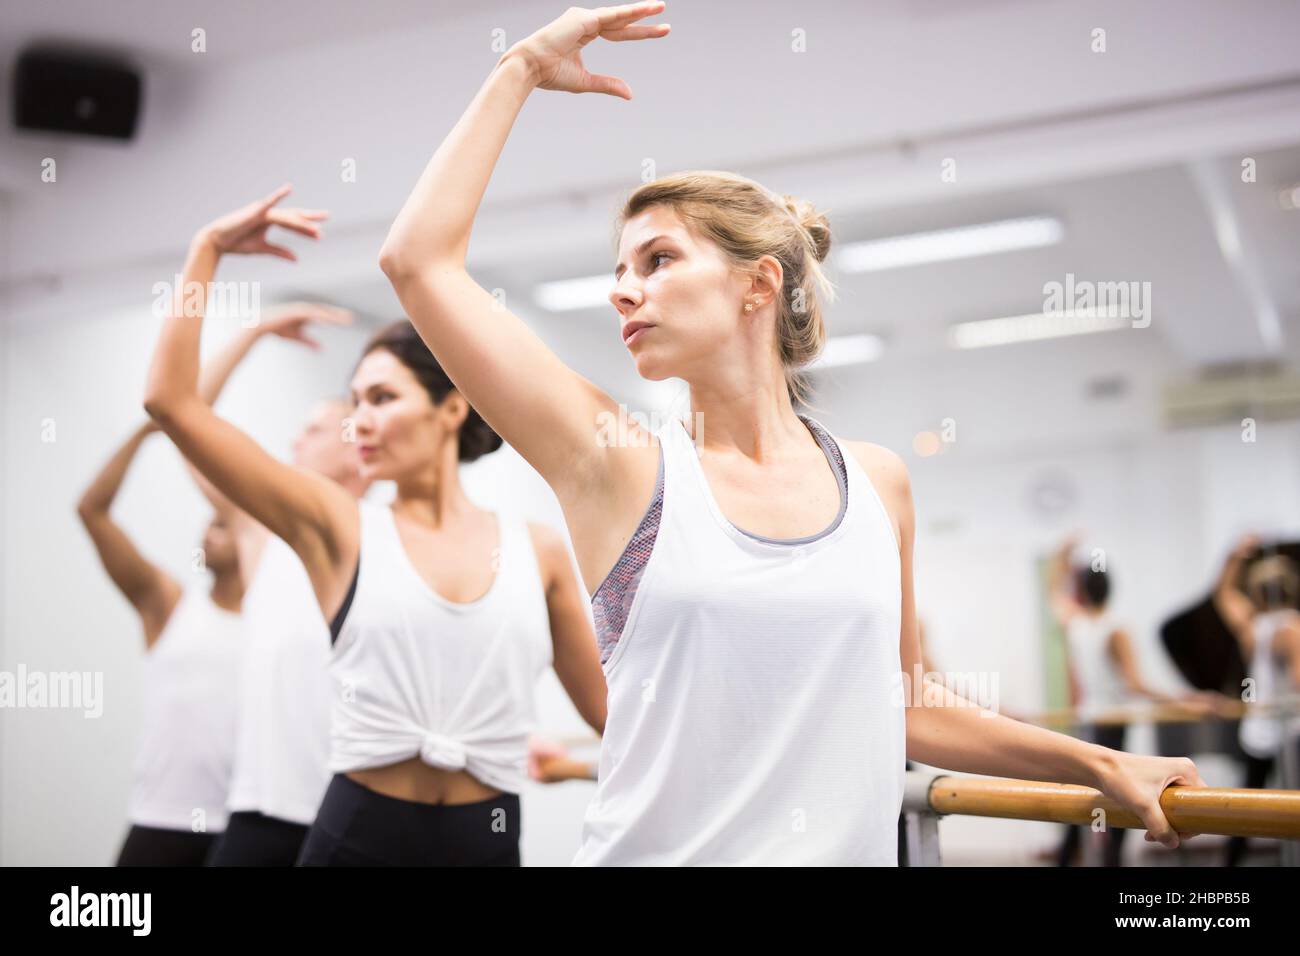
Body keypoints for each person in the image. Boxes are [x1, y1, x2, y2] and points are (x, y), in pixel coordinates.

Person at [376, 0, 1207, 865]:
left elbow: (912, 706)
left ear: (758, 283)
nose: (623, 290)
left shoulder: (878, 481)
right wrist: (518, 70)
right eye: (618, 270)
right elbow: (417, 261)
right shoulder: (618, 463)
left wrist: (1104, 766)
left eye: (658, 260)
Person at [144, 191, 608, 865]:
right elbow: (171, 403)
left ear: (451, 410)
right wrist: (207, 250)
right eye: (354, 401)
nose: (357, 421)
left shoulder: (537, 549)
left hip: (488, 840)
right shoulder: (336, 524)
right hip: (358, 834)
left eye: (383, 399)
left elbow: (610, 718)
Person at [78, 330, 263, 865]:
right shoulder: (170, 604)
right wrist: (145, 433)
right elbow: (93, 512)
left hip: (245, 826)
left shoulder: (280, 612)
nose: (212, 532)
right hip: (161, 821)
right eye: (208, 524)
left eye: (225, 525)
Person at [198, 305, 374, 867]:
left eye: (315, 430)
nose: (297, 441)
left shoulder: (391, 537)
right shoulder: (261, 531)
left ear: (358, 445)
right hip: (262, 811)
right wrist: (251, 333)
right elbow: (187, 417)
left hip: (354, 812)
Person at [1046, 535, 1216, 866]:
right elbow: (1136, 684)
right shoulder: (1115, 629)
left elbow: (1054, 594)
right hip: (1111, 721)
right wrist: (1187, 700)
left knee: (1082, 791)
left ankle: (1067, 860)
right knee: (1119, 794)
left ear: (1082, 592)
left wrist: (1061, 556)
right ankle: (1111, 861)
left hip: (1086, 719)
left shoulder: (1075, 623)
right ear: (1111, 589)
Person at [1214, 534, 1300, 865]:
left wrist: (1234, 554)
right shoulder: (1290, 627)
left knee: (1248, 803)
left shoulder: (1252, 626)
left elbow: (1224, 594)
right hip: (1291, 725)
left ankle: (1232, 862)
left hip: (1259, 724)